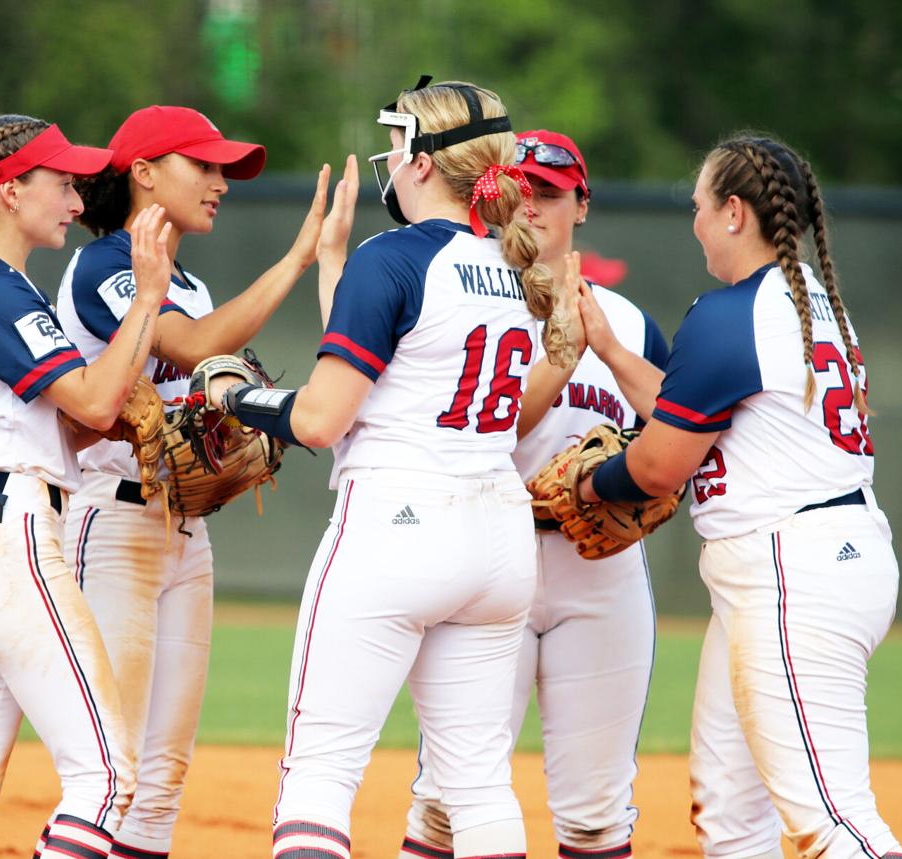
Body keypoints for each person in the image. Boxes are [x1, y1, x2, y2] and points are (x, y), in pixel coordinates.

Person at [201, 77, 582, 859]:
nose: (390, 156)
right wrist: (334, 260)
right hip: (498, 536)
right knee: (477, 783)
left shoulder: (396, 258)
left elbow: (319, 419)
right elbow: (394, 373)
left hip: (397, 524)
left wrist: (238, 394)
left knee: (320, 772)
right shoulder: (513, 263)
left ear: (423, 162)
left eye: (399, 141)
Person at [578, 134, 902, 859]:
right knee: (729, 813)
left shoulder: (732, 315)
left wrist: (582, 484)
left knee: (834, 820)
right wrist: (607, 347)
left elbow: (661, 464)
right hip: (813, 559)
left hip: (793, 572)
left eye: (698, 206)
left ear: (733, 212)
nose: (692, 221)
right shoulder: (807, 304)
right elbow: (688, 408)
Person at [48, 104, 331, 859]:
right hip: (108, 523)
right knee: (115, 766)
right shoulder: (104, 267)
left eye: (222, 170)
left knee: (164, 775)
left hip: (184, 535)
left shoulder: (194, 284)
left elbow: (201, 372)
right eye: (203, 166)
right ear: (143, 173)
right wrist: (298, 257)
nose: (220, 183)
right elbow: (194, 344)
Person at [0, 114, 175, 859]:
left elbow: (74, 426)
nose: (78, 202)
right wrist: (147, 300)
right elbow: (93, 401)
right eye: (62, 183)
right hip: (7, 544)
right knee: (108, 780)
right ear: (10, 192)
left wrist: (121, 416)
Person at [397, 130, 670, 859]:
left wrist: (632, 480)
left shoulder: (632, 323)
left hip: (602, 571)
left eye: (552, 192)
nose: (535, 204)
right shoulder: (466, 299)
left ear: (583, 203)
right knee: (446, 801)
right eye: (522, 189)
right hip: (489, 556)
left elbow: (680, 437)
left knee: (596, 813)